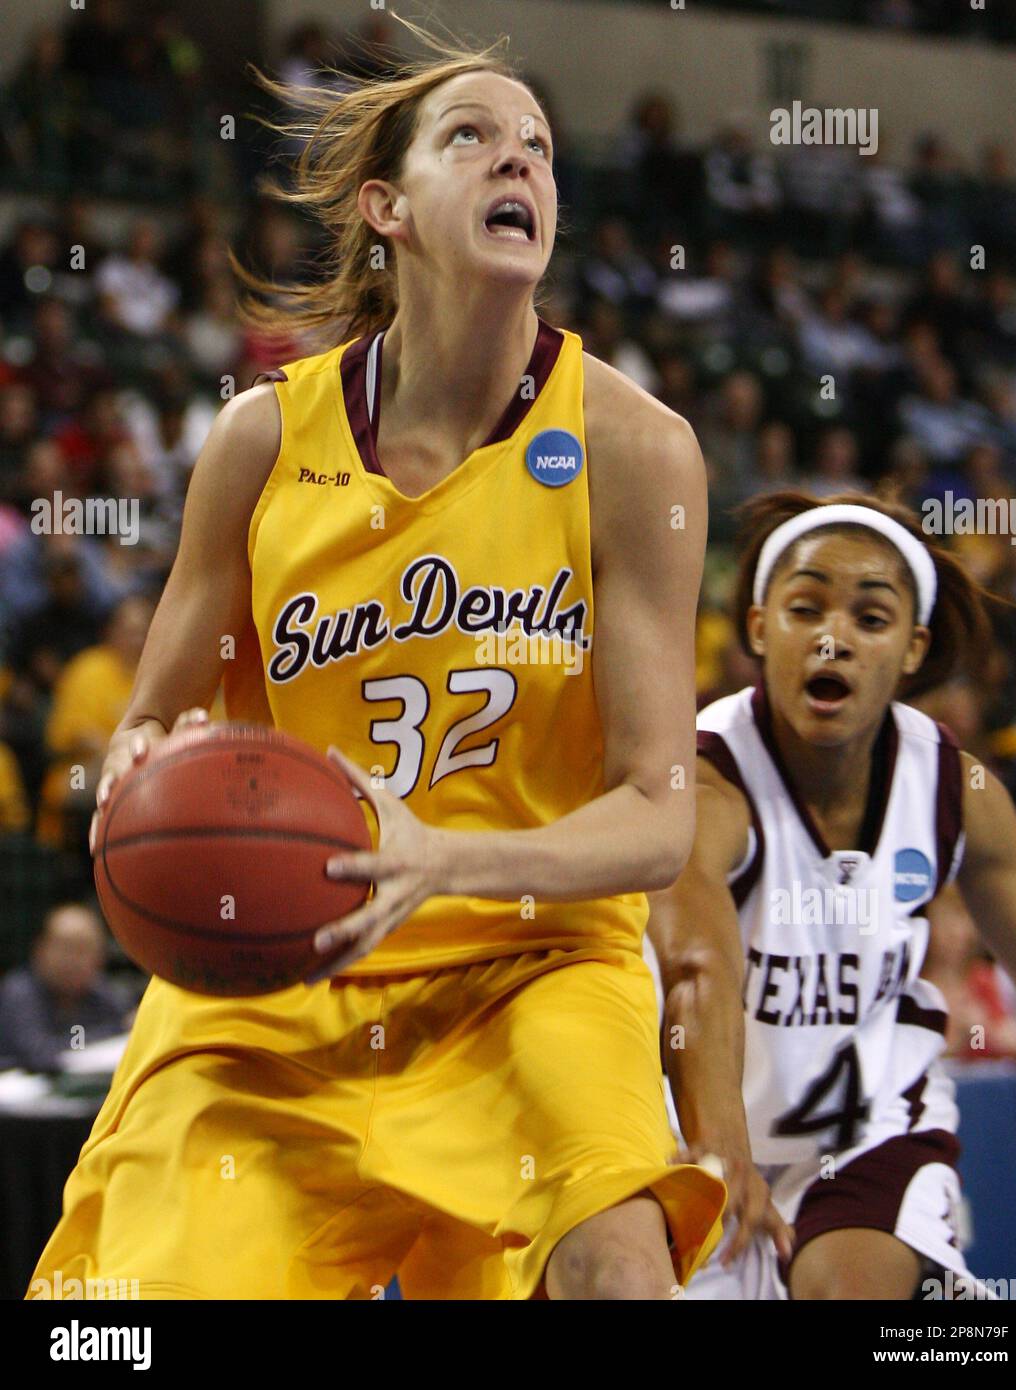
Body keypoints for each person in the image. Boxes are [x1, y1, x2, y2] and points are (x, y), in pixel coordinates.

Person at [30, 30, 723, 1301]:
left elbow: (654, 819)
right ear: (385, 208)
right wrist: (136, 769)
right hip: (283, 965)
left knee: (620, 1274)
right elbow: (151, 717)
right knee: (108, 1328)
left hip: (532, 963)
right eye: (472, 133)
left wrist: (443, 860)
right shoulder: (258, 442)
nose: (518, 153)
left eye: (539, 147)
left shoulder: (637, 452)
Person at [647, 491, 1016, 1299]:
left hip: (870, 1138)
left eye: (871, 620)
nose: (834, 636)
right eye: (807, 609)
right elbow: (697, 969)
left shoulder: (957, 788)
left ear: (913, 648)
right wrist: (721, 1147)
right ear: (761, 629)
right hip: (691, 1129)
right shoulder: (703, 779)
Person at [0, 905, 129, 1074]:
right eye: (66, 948)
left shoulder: (100, 992)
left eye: (84, 950)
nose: (74, 960)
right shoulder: (19, 992)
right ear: (41, 949)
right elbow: (39, 1055)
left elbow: (127, 1029)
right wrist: (113, 1031)